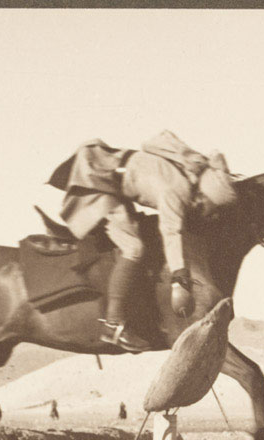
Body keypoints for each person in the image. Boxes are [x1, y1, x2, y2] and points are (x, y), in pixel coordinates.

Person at [48, 131, 237, 352]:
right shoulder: (176, 192)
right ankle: (113, 324)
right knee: (134, 248)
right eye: (211, 208)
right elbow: (172, 232)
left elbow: (149, 144)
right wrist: (180, 276)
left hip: (108, 176)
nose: (209, 214)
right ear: (204, 196)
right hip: (96, 184)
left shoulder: (187, 172)